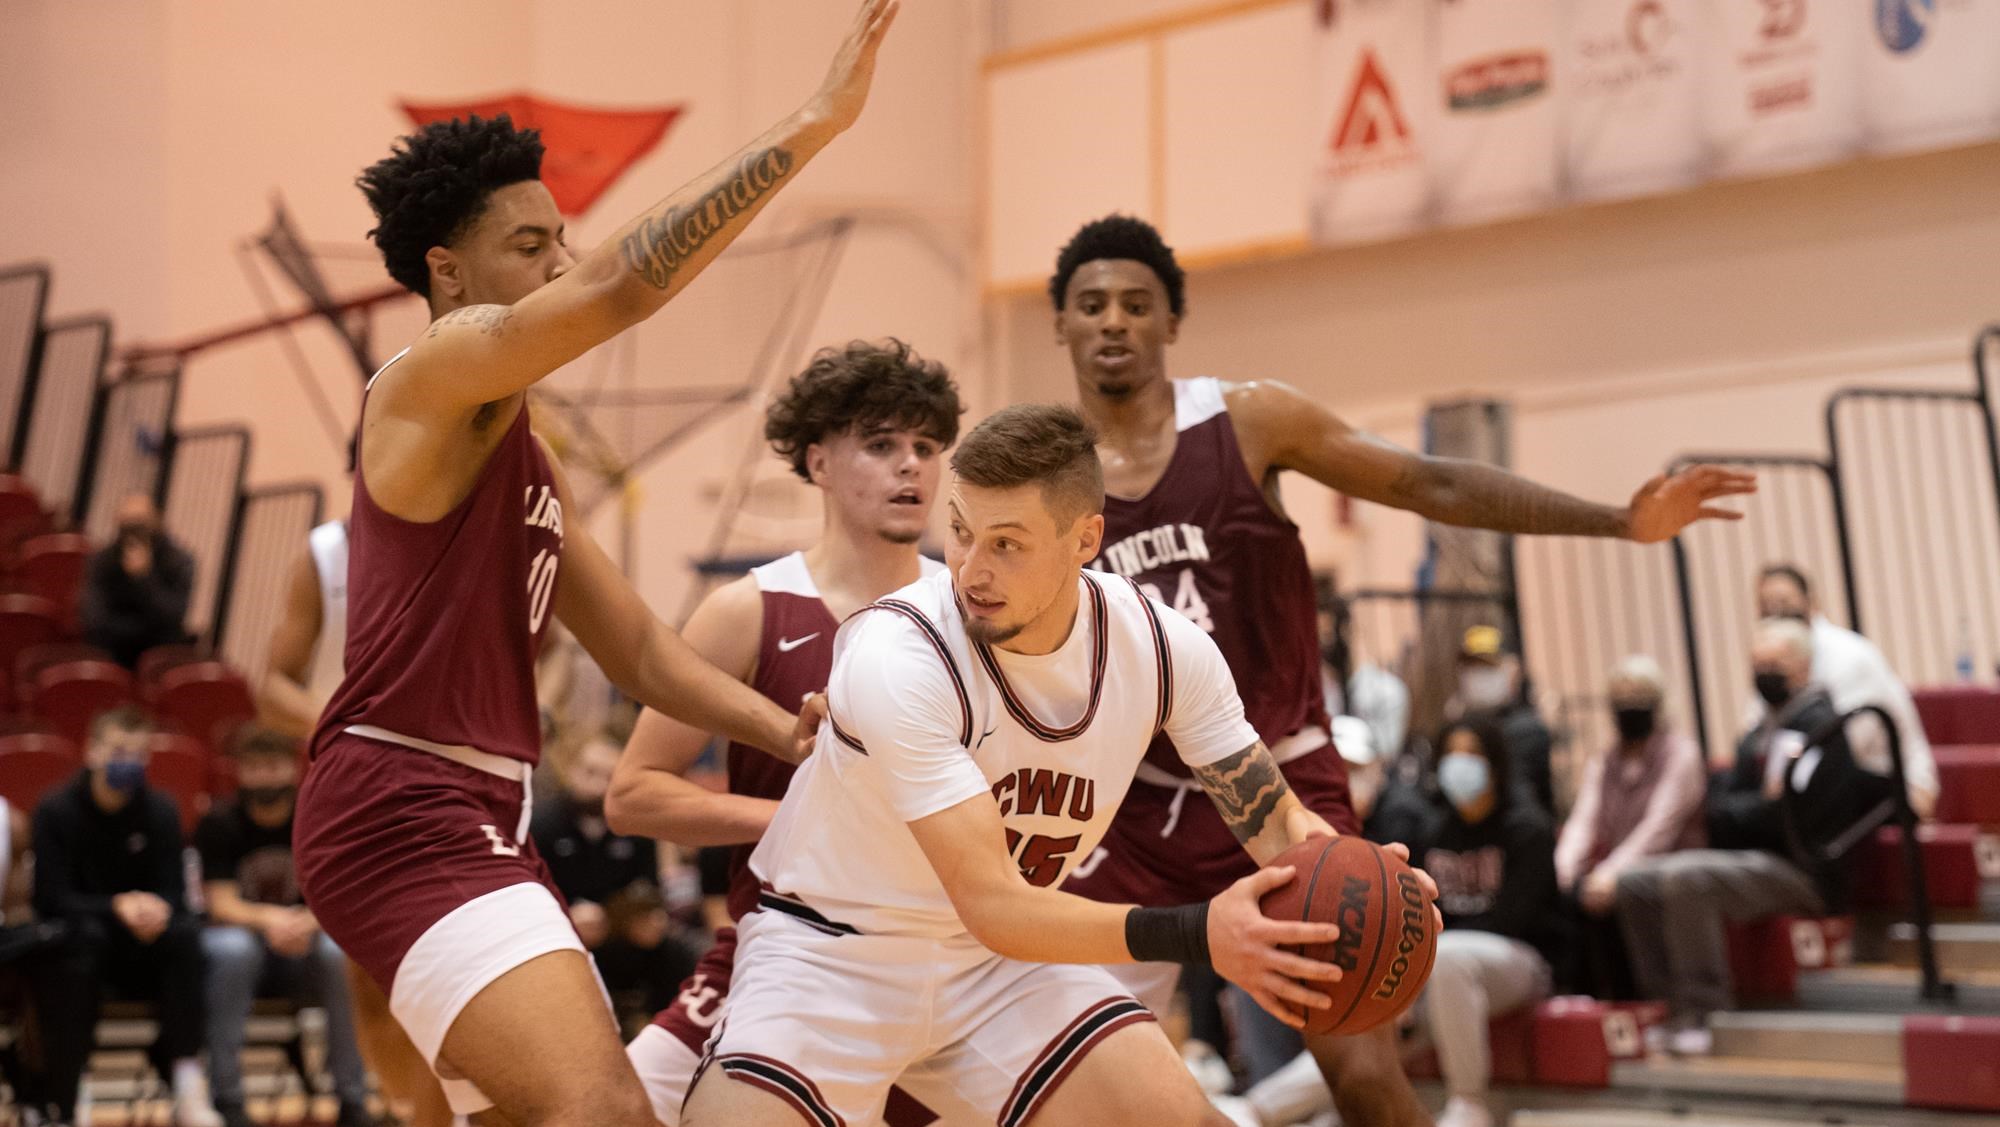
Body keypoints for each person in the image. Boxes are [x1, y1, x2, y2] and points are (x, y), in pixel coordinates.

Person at [291, 6, 900, 1123]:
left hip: (475, 801)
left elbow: (639, 650)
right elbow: (625, 284)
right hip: (403, 801)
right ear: (448, 270)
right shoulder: (431, 375)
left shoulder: (524, 456)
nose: (561, 261)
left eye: (560, 238)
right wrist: (815, 122)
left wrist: (787, 734)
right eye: (530, 246)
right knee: (605, 1108)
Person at [1050, 213, 1754, 1126]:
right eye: (1091, 304)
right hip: (1129, 804)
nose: (1113, 320)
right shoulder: (1044, 468)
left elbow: (1433, 482)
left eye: (1136, 303)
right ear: (1060, 323)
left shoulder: (1247, 420)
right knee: (1070, 1082)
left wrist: (1617, 520)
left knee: (1364, 1076)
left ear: (1171, 321)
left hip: (1274, 785)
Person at [680, 404, 1363, 1127]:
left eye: (1007, 543)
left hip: (996, 971)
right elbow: (995, 904)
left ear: (1086, 539)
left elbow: (1274, 820)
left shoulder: (1164, 646)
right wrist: (1203, 933)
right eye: (962, 531)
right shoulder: (898, 655)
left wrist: (1354, 876)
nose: (972, 569)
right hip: (831, 955)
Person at [606, 337, 962, 1125]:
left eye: (927, 446)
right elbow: (633, 794)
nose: (911, 465)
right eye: (881, 444)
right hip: (778, 951)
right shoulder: (747, 609)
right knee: (604, 1109)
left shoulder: (970, 612)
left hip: (937, 962)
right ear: (818, 462)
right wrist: (797, 818)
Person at [255, 509, 452, 1127]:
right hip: (361, 784)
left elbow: (547, 649)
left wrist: (535, 711)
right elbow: (272, 688)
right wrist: (344, 726)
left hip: (455, 779)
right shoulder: (326, 552)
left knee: (445, 965)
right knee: (370, 974)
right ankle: (404, 1108)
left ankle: (441, 1110)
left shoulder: (473, 534)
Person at [1615, 618, 1891, 1054]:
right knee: (1635, 881)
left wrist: (1750, 808)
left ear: (1803, 667)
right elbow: (1723, 805)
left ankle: (1705, 1014)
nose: (1763, 674)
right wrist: (1754, 806)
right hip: (1751, 862)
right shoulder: (1758, 731)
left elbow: (1784, 815)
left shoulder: (1820, 729)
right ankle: (1668, 1007)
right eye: (1757, 664)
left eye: (1774, 665)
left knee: (1688, 878)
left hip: (1802, 872)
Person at [31, 707, 218, 1127]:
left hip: (143, 942)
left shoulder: (161, 810)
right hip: (85, 939)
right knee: (78, 948)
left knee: (186, 938)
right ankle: (69, 1098)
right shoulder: (56, 810)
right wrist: (116, 906)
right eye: (118, 751)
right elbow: (50, 899)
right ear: (92, 752)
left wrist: (155, 910)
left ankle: (187, 1084)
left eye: (137, 753)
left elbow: (176, 894)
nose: (127, 762)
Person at [196, 728, 370, 1127]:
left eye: (272, 766)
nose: (264, 776)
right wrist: (273, 920)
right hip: (250, 946)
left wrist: (305, 923)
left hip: (307, 941)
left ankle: (353, 1099)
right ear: (240, 772)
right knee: (232, 949)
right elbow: (220, 903)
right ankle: (227, 1098)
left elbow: (340, 894)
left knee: (338, 952)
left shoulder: (320, 818)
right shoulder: (218, 822)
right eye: (255, 768)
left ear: (292, 770)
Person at [1410, 720, 1558, 1127]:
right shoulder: (1432, 831)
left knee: (1446, 959)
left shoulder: (1528, 827)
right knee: (1369, 1013)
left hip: (1522, 962)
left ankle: (1469, 1102)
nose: (1460, 764)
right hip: (1446, 969)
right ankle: (1261, 1108)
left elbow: (1513, 919)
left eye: (1472, 753)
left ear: (1494, 763)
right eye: (1451, 754)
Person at [1553, 655, 1705, 999]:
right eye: (1620, 698)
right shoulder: (1604, 761)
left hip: (1669, 865)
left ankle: (1654, 999)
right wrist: (1561, 871)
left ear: (1659, 702)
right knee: (1569, 896)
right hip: (1618, 868)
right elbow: (1583, 823)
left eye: (1638, 697)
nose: (1629, 706)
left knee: (1618, 889)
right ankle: (1590, 1004)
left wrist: (1611, 873)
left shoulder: (1681, 754)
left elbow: (1659, 828)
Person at [531, 731, 695, 1027]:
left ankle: (667, 1033)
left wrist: (650, 922)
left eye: (608, 777)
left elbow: (650, 889)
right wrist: (566, 919)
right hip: (561, 934)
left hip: (622, 937)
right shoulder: (541, 824)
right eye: (589, 772)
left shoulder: (636, 826)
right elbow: (528, 892)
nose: (596, 785)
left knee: (677, 952)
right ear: (571, 770)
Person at [1754, 563, 1938, 818]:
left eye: (1784, 603)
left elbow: (1844, 750)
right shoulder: (1770, 660)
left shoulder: (1849, 656)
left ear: (1812, 603)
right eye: (1766, 606)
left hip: (1892, 785)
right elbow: (1759, 737)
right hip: (1824, 786)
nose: (1776, 613)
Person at [79, 493, 195, 669]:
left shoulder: (178, 561)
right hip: (111, 653)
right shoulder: (103, 560)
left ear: (156, 521)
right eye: (127, 526)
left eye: (140, 524)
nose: (133, 533)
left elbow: (172, 617)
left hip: (159, 655)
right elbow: (94, 619)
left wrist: (144, 578)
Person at [1449, 626, 1554, 816]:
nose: (1477, 675)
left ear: (1512, 671)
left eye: (1487, 667)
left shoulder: (1527, 731)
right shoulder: (1459, 726)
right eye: (1471, 667)